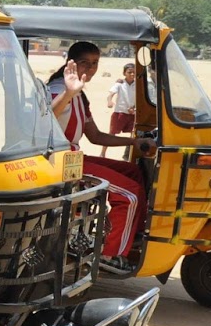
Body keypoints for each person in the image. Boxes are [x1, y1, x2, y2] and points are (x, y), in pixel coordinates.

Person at [47, 42, 155, 261]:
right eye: (84, 62)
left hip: (75, 159)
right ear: (70, 63)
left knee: (132, 171)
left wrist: (133, 142)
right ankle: (111, 256)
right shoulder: (58, 90)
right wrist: (68, 93)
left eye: (95, 63)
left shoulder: (79, 95)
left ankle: (133, 233)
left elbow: (95, 136)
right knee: (129, 195)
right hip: (61, 163)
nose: (90, 68)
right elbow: (46, 117)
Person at [103, 62, 138, 156]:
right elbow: (111, 94)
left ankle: (129, 155)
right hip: (120, 112)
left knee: (134, 134)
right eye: (129, 72)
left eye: (134, 72)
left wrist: (134, 108)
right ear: (124, 73)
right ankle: (103, 153)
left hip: (132, 114)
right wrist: (109, 101)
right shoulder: (120, 84)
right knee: (111, 134)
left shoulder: (137, 85)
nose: (132, 74)